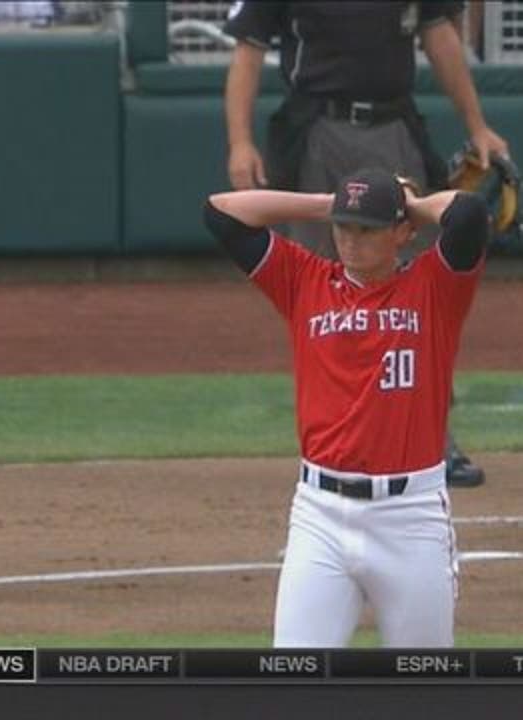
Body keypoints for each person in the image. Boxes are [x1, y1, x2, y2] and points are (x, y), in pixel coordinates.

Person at [201, 168, 489, 647]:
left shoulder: (435, 289)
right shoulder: (303, 281)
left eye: (368, 228)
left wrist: (408, 205)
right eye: (343, 227)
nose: (351, 241)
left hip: (411, 518)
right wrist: (326, 203)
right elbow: (221, 213)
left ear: (402, 232)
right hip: (320, 516)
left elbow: (469, 215)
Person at [223, 1, 505, 489]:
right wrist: (239, 141)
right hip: (318, 129)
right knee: (324, 297)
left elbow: (440, 38)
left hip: (394, 128)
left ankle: (433, 439)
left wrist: (477, 125)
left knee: (418, 300)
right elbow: (248, 53)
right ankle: (336, 441)